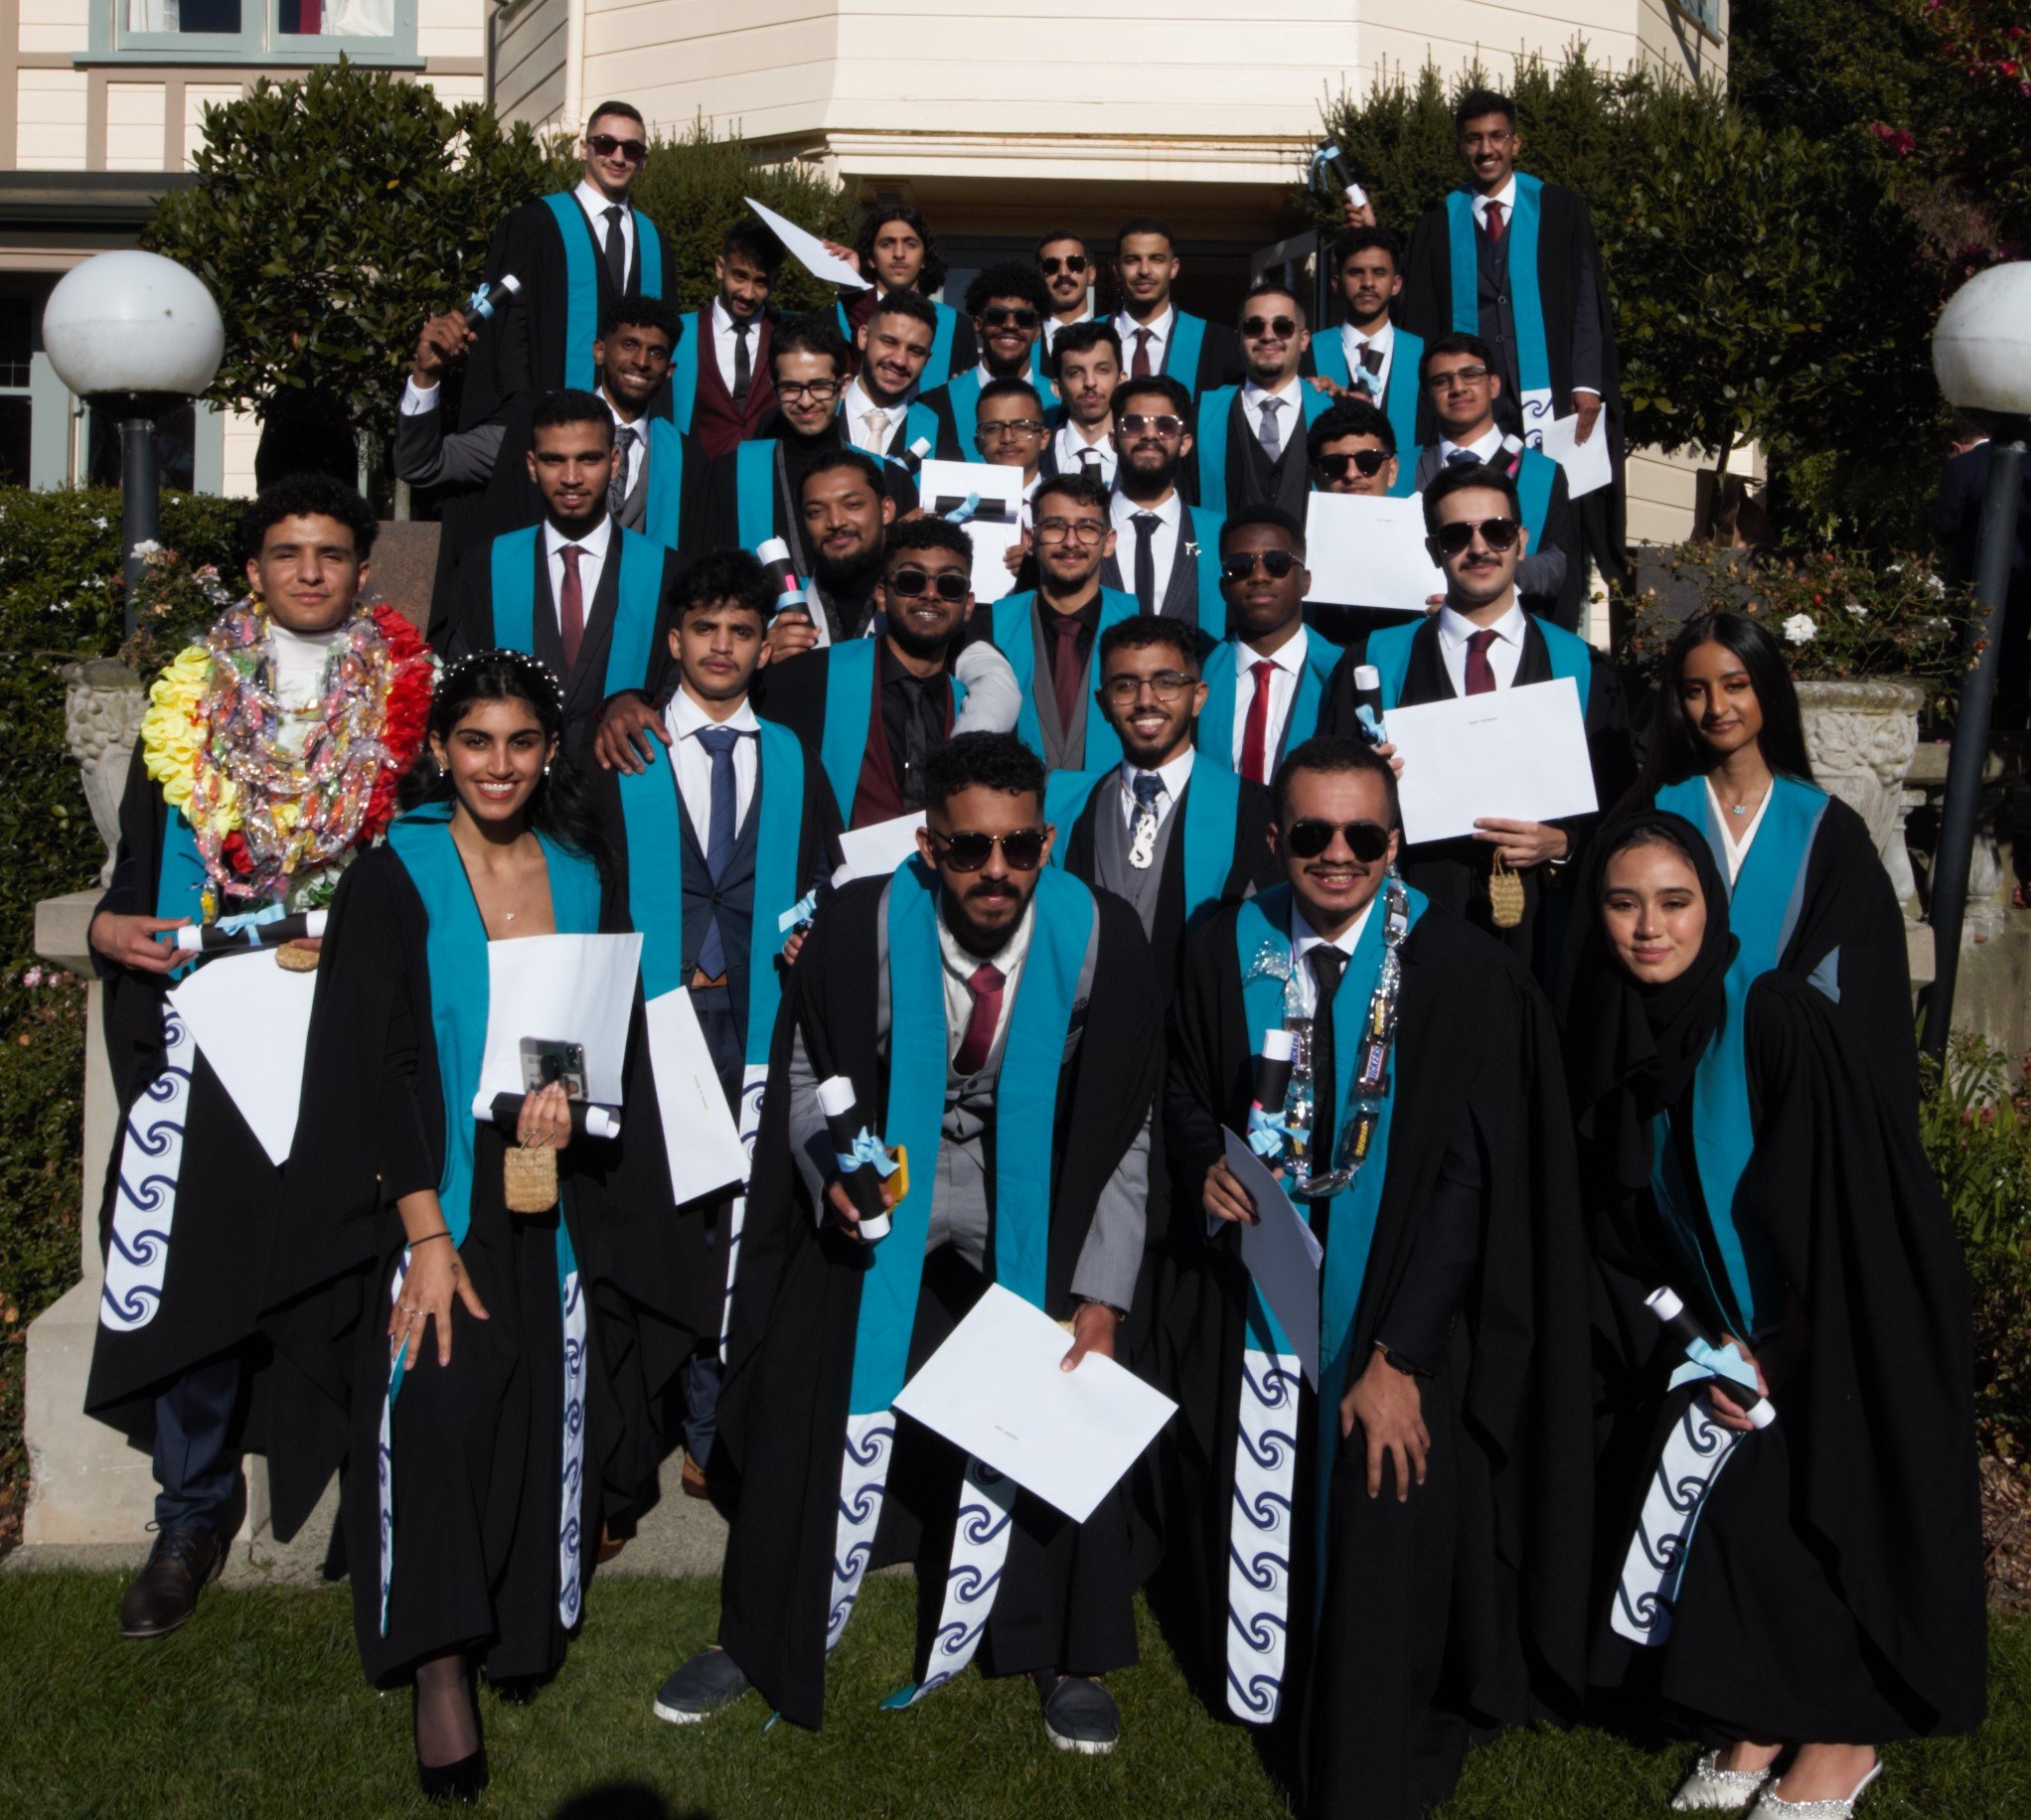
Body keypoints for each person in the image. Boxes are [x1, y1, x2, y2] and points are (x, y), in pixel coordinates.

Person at [655, 732, 1160, 1754]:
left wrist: (1101, 1287)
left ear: (1046, 842)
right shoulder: (860, 924)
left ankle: (1068, 1644)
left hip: (1035, 1180)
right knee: (808, 1358)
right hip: (893, 1163)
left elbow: (1124, 1121)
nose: (996, 873)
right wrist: (825, 1174)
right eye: (969, 849)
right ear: (928, 846)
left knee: (1074, 1365)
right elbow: (801, 1078)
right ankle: (762, 1633)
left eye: (1019, 849)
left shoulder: (1099, 931)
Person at [264, 651, 705, 1802]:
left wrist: (573, 1100)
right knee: (442, 1407)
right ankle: (439, 1663)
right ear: (440, 751)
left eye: (519, 742)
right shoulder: (395, 875)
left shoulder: (579, 867)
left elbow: (591, 1036)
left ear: (548, 749)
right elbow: (378, 1065)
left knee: (540, 1401)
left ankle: (517, 1621)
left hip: (550, 1189)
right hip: (433, 1193)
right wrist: (423, 1238)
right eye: (475, 742)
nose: (497, 765)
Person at [1165, 735, 1591, 1815]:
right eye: (1311, 834)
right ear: (1275, 839)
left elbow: (1471, 1186)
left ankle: (1367, 1734)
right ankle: (1273, 1675)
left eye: (1363, 834)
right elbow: (1175, 1085)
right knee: (1267, 1511)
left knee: (1378, 1522)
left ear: (1395, 841)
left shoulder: (1459, 971)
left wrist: (1402, 1352)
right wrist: (1202, 1155)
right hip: (1261, 1299)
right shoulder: (1223, 945)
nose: (1337, 855)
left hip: (1400, 1307)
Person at [1562, 814, 1984, 1816]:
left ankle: (1841, 1740)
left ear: (1713, 907)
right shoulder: (1635, 1021)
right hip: (1741, 1328)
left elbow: (1835, 1221)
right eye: (1622, 903)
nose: (1648, 927)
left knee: (1785, 1481)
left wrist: (1779, 1356)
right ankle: (1759, 1718)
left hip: (1847, 1331)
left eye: (1675, 901)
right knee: (1691, 1445)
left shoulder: (1772, 1016)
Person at [87, 475, 431, 1641]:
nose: (308, 571)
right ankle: (190, 1511)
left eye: (331, 553)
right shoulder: (186, 699)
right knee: (200, 1267)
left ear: (361, 566)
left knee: (347, 1254)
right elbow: (139, 867)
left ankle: (354, 1496)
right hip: (213, 1020)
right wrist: (103, 922)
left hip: (348, 1021)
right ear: (254, 569)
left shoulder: (409, 704)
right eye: (286, 552)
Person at [589, 550, 843, 1498]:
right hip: (651, 1026)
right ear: (674, 640)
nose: (724, 648)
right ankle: (626, 1455)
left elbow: (819, 881)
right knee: (648, 1224)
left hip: (756, 1029)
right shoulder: (627, 751)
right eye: (706, 631)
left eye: (742, 632)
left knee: (740, 1232)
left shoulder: (789, 755)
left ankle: (713, 1431)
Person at [1322, 463, 1631, 977]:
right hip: (1409, 920)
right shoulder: (1372, 662)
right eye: (1456, 535)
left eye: (1497, 530)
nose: (1480, 547)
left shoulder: (1583, 666)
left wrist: (1564, 845)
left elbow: (1620, 806)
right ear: (1433, 551)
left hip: (1542, 933)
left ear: (1521, 540)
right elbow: (1326, 787)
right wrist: (1366, 783)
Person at [1617, 609, 1915, 1059]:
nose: (1717, 708)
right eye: (1696, 691)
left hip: (1787, 1076)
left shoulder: (1828, 829)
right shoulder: (1655, 812)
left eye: (1736, 686)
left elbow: (1861, 983)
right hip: (1669, 1064)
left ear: (1767, 687)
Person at [1396, 87, 1629, 590]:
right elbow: (1419, 324)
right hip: (1475, 405)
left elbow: (1587, 302)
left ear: (1516, 142)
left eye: (1497, 136)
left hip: (1554, 396)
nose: (1486, 150)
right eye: (1474, 139)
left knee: (1558, 515)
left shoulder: (1559, 210)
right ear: (1460, 147)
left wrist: (1588, 381)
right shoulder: (1439, 223)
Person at [397, 299, 690, 626]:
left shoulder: (683, 459)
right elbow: (420, 464)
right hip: (527, 621)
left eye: (656, 353)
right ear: (599, 351)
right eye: (629, 345)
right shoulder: (530, 425)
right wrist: (426, 374)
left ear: (669, 371)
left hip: (628, 636)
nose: (641, 361)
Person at [438, 390, 683, 770]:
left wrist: (633, 699)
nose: (571, 478)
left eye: (588, 459)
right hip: (513, 794)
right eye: (555, 460)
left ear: (614, 462)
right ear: (532, 466)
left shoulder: (666, 572)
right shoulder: (485, 566)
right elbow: (459, 680)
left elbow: (679, 683)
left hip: (625, 785)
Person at [1043, 615, 1278, 985]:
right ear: (1103, 703)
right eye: (1125, 686)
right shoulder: (1065, 810)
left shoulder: (1253, 810)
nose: (1145, 701)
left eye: (1166, 682)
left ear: (1198, 697)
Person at [751, 518, 987, 826]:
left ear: (968, 605)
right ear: (881, 594)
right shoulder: (809, 678)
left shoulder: (974, 708)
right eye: (911, 580)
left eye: (950, 584)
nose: (930, 594)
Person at [461, 101, 675, 427]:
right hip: (546, 425)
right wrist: (522, 418)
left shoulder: (655, 240)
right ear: (582, 149)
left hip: (633, 429)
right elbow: (509, 337)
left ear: (643, 160)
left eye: (631, 149)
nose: (618, 157)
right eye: (605, 144)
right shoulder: (535, 225)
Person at [688, 315, 916, 564]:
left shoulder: (890, 480)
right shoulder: (729, 474)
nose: (806, 402)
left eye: (819, 386)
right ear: (773, 387)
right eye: (791, 388)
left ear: (843, 385)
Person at [1411, 332, 1578, 625]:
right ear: (1426, 396)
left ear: (1494, 384)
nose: (1457, 388)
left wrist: (1482, 580)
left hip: (1514, 638)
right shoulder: (1402, 468)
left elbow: (1558, 565)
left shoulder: (1542, 473)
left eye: (1471, 375)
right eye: (1441, 381)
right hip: (1419, 634)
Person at [986, 473, 1139, 773]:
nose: (1071, 542)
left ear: (1108, 543)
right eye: (1055, 527)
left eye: (1087, 527)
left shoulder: (1138, 628)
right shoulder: (990, 628)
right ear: (1031, 540)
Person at [1197, 506, 1337, 783]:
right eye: (1240, 566)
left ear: (1306, 582)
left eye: (1277, 563)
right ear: (1224, 588)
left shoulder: (1342, 672)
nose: (1259, 576)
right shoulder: (1196, 675)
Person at [1101, 376, 1225, 639]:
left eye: (1166, 426)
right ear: (1113, 440)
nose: (1149, 435)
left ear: (1185, 443)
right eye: (1133, 424)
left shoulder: (1218, 533)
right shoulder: (1083, 530)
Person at [1190, 283, 1328, 520]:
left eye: (1283, 326)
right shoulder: (1200, 416)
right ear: (1238, 339)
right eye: (1254, 326)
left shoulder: (1332, 411)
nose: (1268, 335)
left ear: (1304, 340)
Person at [1309, 228, 1422, 494]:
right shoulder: (1307, 356)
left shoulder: (1423, 357)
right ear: (1336, 282)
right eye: (1356, 272)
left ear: (1396, 284)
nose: (1368, 283)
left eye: (1379, 273)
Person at [912, 262, 1054, 463]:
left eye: (1024, 318)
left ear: (1038, 330)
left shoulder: (1059, 406)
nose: (1010, 325)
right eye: (997, 316)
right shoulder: (935, 405)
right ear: (978, 324)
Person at [1300, 398, 1413, 649]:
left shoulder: (1430, 549)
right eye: (1334, 465)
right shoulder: (1292, 556)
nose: (1352, 474)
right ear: (1314, 476)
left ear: (1392, 471)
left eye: (1368, 461)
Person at [670, 215, 784, 457]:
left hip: (765, 477)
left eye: (761, 282)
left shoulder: (787, 334)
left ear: (775, 281)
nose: (748, 293)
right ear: (720, 268)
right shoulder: (680, 332)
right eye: (740, 276)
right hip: (700, 480)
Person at [833, 203, 974, 389]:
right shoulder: (836, 318)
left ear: (924, 258)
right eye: (887, 243)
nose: (899, 254)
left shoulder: (958, 326)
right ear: (870, 258)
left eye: (910, 244)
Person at [1110, 216, 1244, 402]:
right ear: (1117, 269)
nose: (1144, 270)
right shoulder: (1086, 339)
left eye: (1156, 259)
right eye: (1132, 260)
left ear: (1173, 268)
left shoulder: (1215, 342)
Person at [1043, 321, 1122, 486]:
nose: (1090, 382)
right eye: (1075, 373)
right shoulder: (1037, 453)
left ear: (1121, 380)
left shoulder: (1142, 451)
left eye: (1102, 370)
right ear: (1058, 388)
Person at [1037, 228, 1095, 352]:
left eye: (1075, 264)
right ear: (1038, 277)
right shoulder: (1024, 342)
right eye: (1051, 266)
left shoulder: (1115, 337)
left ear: (1091, 274)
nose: (1063, 273)